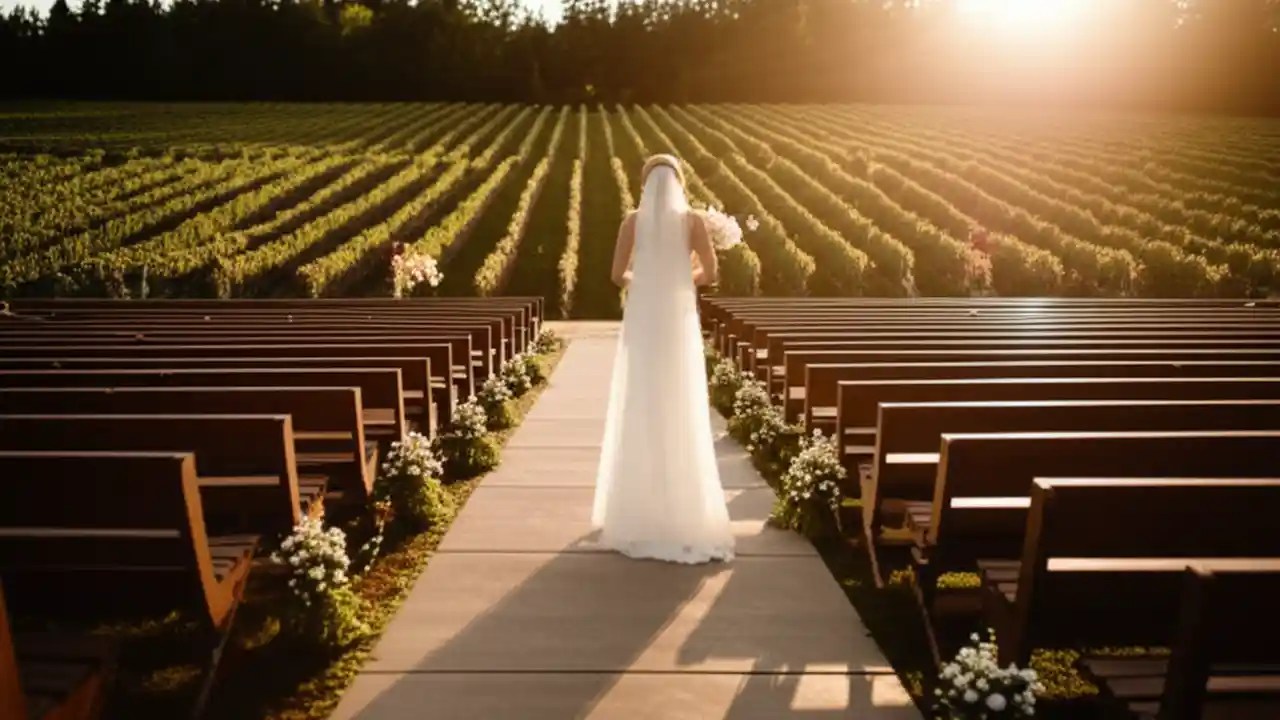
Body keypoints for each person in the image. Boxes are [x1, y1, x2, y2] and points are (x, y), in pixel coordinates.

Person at [590, 154, 735, 565]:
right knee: (680, 399)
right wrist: (678, 278)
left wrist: (648, 279)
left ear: (645, 183)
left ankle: (637, 505)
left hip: (644, 316)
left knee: (641, 399)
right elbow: (710, 273)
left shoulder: (633, 221)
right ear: (680, 182)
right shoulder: (692, 222)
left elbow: (618, 275)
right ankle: (683, 504)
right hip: (677, 315)